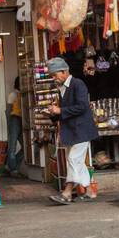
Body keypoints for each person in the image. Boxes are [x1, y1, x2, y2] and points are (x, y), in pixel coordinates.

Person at [45, 57, 98, 205]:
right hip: (72, 131)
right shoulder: (62, 88)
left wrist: (60, 110)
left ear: (64, 71)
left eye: (55, 75)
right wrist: (53, 114)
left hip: (81, 130)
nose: (54, 79)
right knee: (77, 162)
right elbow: (66, 112)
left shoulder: (77, 84)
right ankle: (89, 192)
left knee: (74, 160)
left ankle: (67, 193)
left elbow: (82, 107)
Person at [5, 76, 23, 177]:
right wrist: (9, 125)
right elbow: (8, 111)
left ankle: (10, 165)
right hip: (14, 120)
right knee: (12, 146)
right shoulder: (13, 94)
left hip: (21, 121)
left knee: (25, 147)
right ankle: (13, 170)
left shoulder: (22, 94)